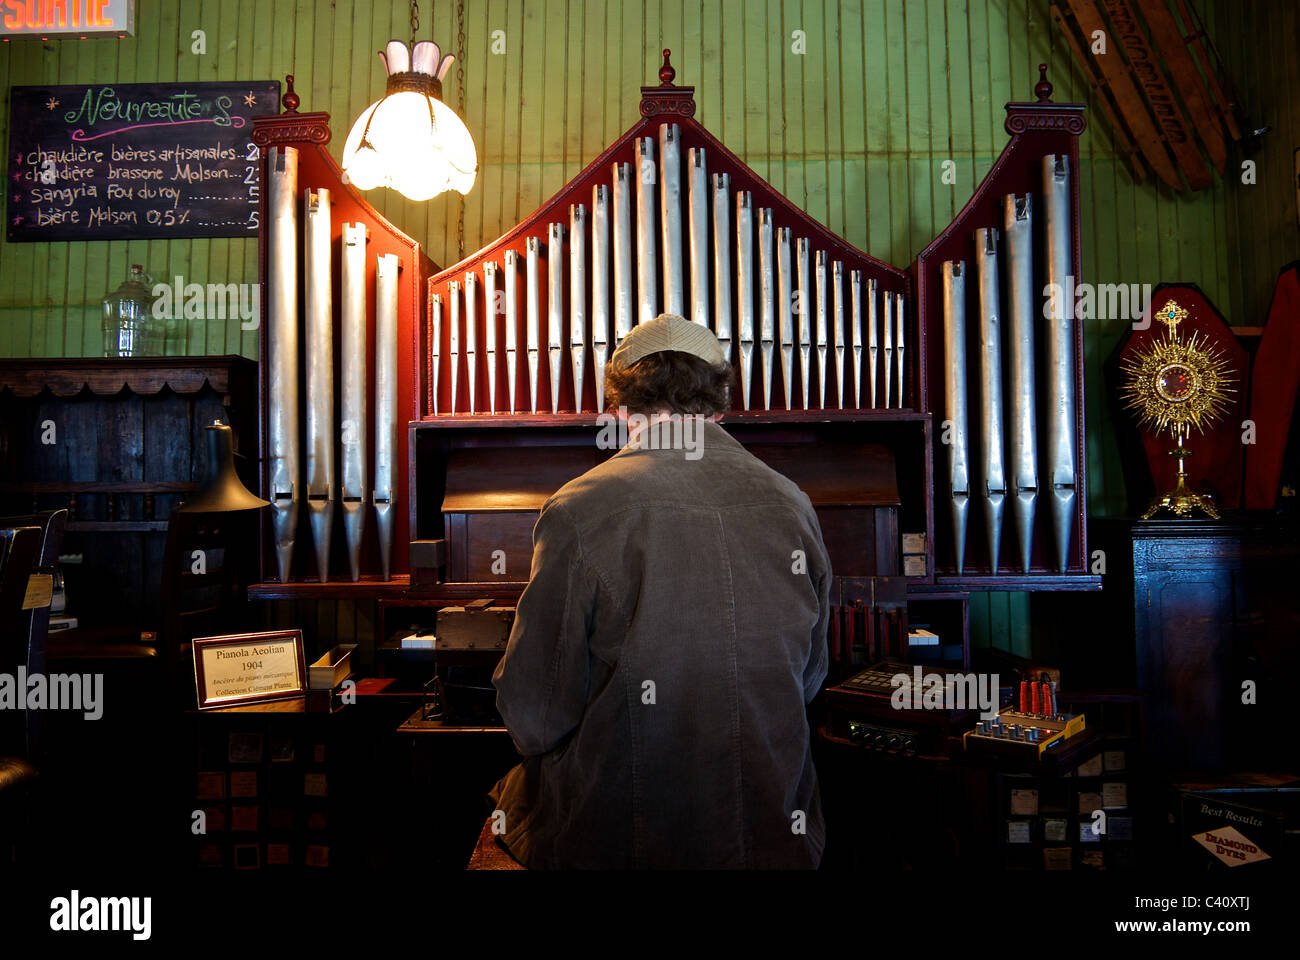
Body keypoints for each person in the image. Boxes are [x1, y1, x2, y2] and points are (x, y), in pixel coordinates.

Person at [488, 313, 831, 869]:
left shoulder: (579, 506)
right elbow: (810, 679)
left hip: (620, 840)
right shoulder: (793, 502)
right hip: (773, 832)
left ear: (620, 409)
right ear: (719, 404)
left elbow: (534, 714)